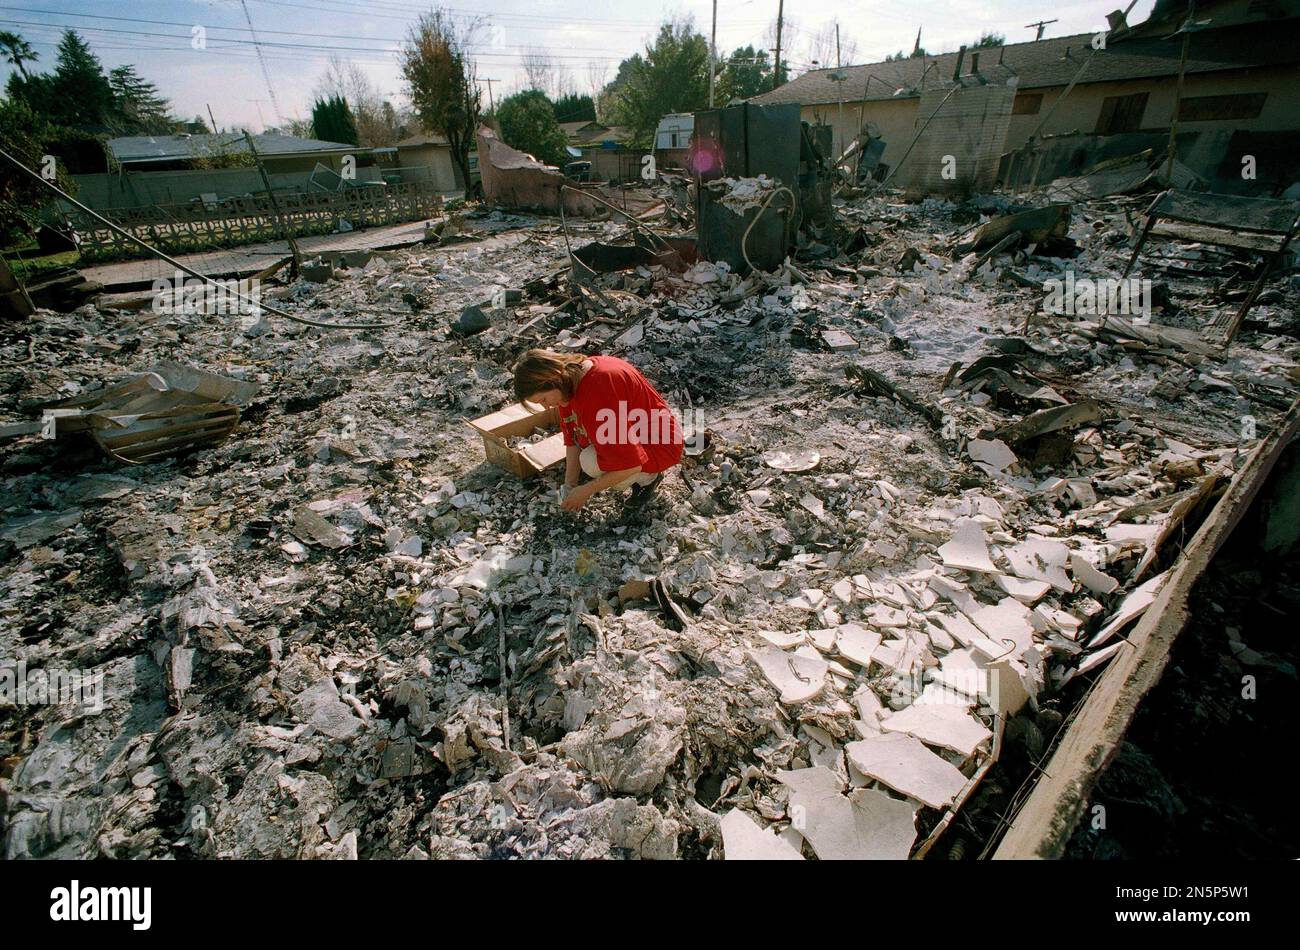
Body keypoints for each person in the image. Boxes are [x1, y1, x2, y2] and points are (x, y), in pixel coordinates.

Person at [512, 349, 683, 512]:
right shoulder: (570, 381)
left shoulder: (597, 392)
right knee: (588, 455)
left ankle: (649, 478)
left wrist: (586, 490)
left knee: (590, 462)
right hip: (641, 432)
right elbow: (572, 438)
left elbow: (630, 464)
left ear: (553, 378)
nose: (546, 406)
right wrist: (569, 486)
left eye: (543, 399)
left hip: (660, 444)